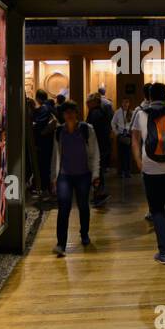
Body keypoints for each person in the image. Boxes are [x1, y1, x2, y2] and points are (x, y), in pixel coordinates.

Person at [133, 81, 165, 264]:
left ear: (149, 96)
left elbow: (136, 141)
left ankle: (164, 251)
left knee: (156, 208)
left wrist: (139, 163)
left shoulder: (140, 114)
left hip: (151, 167)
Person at [50, 100, 100, 256]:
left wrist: (95, 174)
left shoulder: (86, 129)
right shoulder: (59, 132)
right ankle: (61, 243)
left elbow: (95, 153)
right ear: (63, 115)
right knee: (63, 208)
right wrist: (53, 177)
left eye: (72, 112)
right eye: (66, 113)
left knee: (83, 206)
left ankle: (84, 234)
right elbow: (55, 156)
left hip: (83, 174)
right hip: (64, 175)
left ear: (76, 113)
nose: (69, 115)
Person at [86, 93, 112, 205]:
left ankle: (98, 194)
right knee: (99, 170)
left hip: (97, 146)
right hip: (102, 145)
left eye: (88, 102)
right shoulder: (100, 111)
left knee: (97, 170)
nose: (87, 104)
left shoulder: (95, 113)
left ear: (94, 102)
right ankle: (98, 193)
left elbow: (93, 132)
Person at [32, 89, 57, 197]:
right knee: (47, 165)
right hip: (49, 140)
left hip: (44, 141)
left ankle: (44, 188)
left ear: (37, 98)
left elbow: (39, 125)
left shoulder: (44, 109)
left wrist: (33, 124)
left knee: (43, 165)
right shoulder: (51, 107)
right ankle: (46, 187)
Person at [111, 96, 135, 177]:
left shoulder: (131, 112)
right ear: (122, 103)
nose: (126, 104)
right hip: (120, 135)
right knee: (121, 154)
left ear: (129, 104)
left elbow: (134, 124)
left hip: (128, 135)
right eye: (124, 102)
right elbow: (113, 123)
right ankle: (121, 171)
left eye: (127, 102)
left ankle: (128, 171)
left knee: (128, 154)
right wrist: (116, 133)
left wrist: (131, 131)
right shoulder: (118, 112)